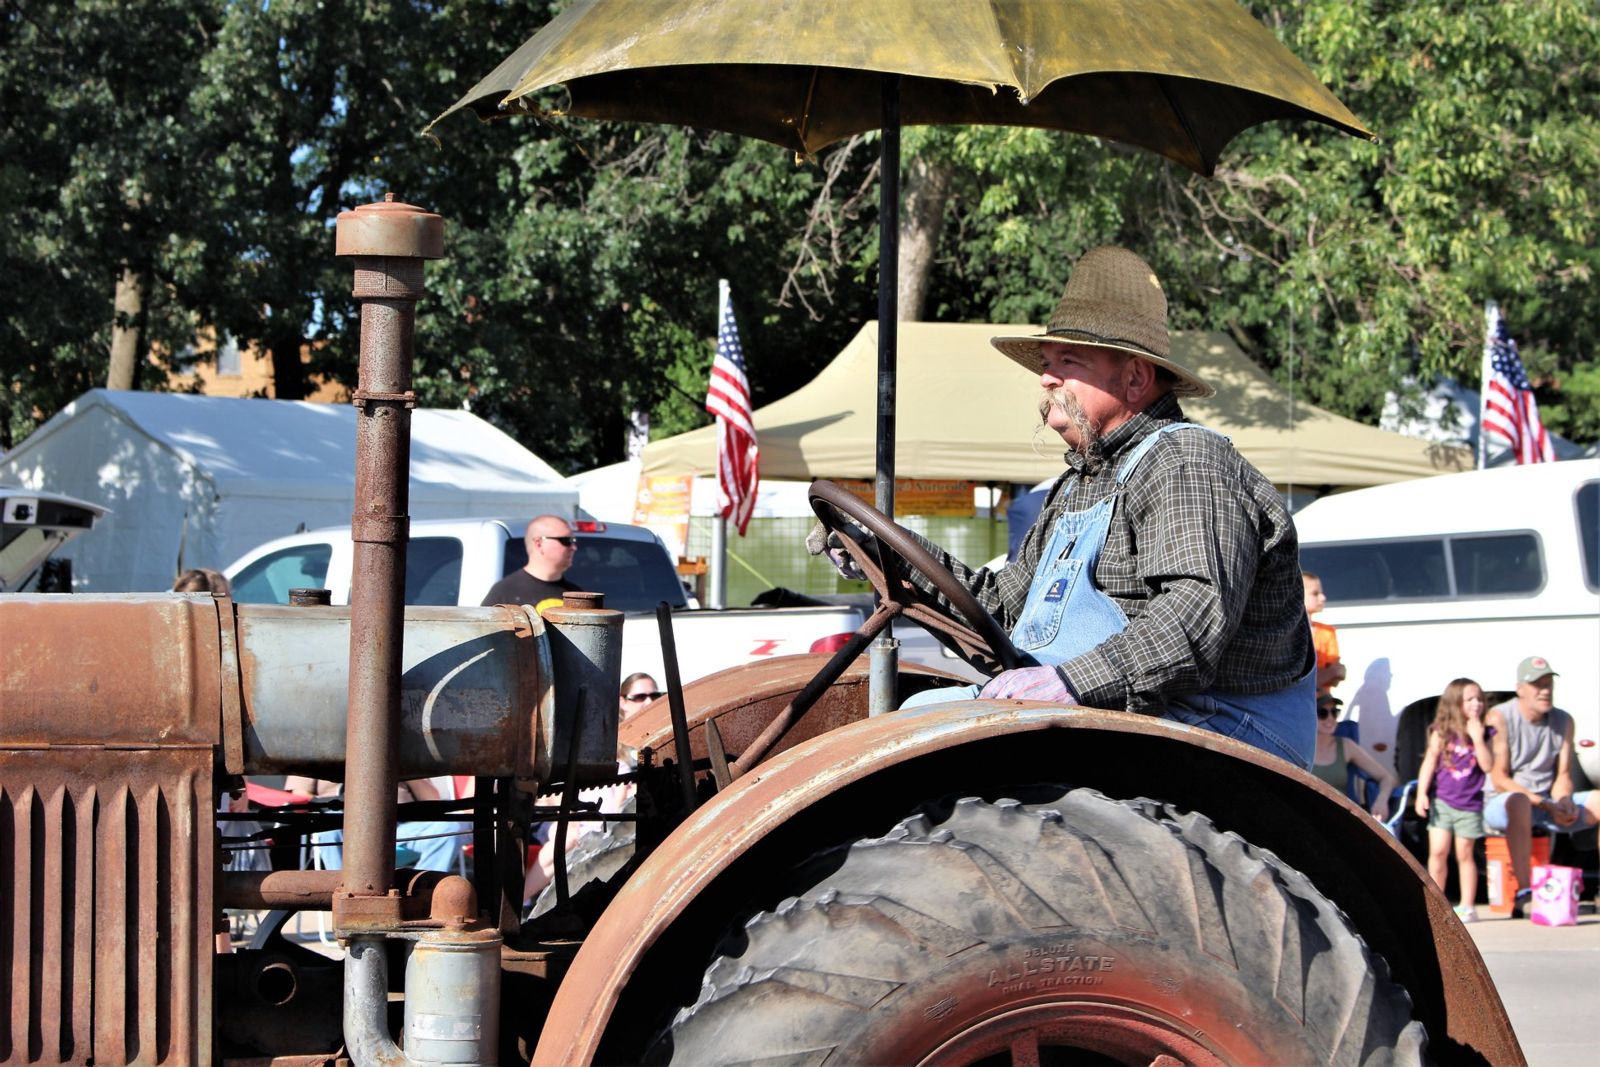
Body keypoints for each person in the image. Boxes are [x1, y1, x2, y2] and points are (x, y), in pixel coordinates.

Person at [812, 246, 1316, 767]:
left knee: (929, 741)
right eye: (1047, 364)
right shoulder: (1079, 483)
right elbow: (1004, 613)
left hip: (1224, 727)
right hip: (1135, 712)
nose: (1047, 379)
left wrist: (1070, 682)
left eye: (1069, 363)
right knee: (913, 720)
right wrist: (888, 555)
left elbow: (1193, 616)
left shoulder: (1187, 462)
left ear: (1136, 379)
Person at [1483, 655, 1600, 915]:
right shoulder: (1499, 717)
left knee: (1598, 801)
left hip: (1546, 803)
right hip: (1502, 804)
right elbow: (1500, 778)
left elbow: (1563, 774)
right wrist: (1546, 804)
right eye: (1537, 684)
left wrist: (1564, 801)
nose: (1545, 691)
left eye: (1548, 684)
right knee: (1520, 802)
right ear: (1519, 689)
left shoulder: (1564, 720)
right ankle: (1524, 893)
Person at [1414, 678, 1493, 922]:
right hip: (1443, 802)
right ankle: (1437, 903)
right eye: (1470, 699)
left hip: (1470, 804)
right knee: (1437, 851)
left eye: (1479, 699)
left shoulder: (1485, 732)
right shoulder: (1442, 732)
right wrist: (1421, 793)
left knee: (1465, 854)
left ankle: (1467, 906)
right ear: (1455, 703)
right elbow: (1429, 762)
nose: (1476, 704)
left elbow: (1488, 766)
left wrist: (1478, 738)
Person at [1312, 693, 1394, 820]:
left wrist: (1381, 801)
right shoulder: (1301, 746)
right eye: (1322, 713)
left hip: (1339, 817)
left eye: (1334, 712)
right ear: (1310, 715)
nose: (1330, 718)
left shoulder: (1346, 746)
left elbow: (1386, 777)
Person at [481, 514, 581, 614]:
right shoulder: (504, 593)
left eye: (573, 541)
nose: (573, 547)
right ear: (539, 543)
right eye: (566, 541)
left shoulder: (576, 595)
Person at [1302, 571, 1346, 696]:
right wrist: (1327, 673)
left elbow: (1337, 675)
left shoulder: (1327, 632)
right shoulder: (1286, 632)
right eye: (1315, 593)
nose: (1323, 598)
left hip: (1322, 702)